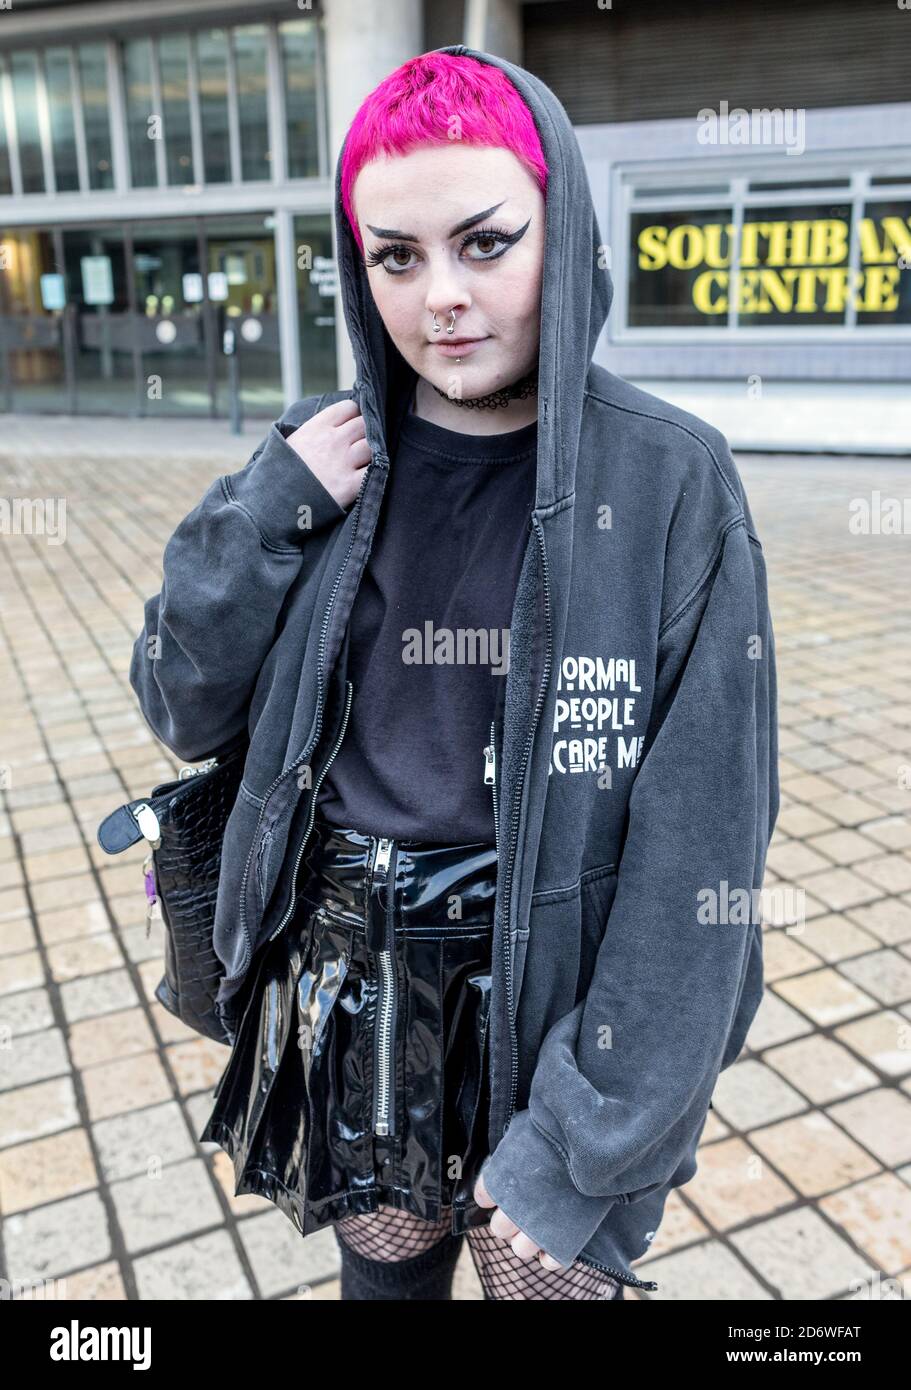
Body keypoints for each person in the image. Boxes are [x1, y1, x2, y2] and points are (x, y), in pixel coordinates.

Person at [131, 46, 779, 1302]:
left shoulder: (668, 485)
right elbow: (179, 703)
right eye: (396, 256)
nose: (441, 298)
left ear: (564, 226)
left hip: (563, 1026)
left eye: (485, 243)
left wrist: (586, 1140)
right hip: (363, 996)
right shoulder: (321, 462)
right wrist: (264, 513)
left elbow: (702, 855)